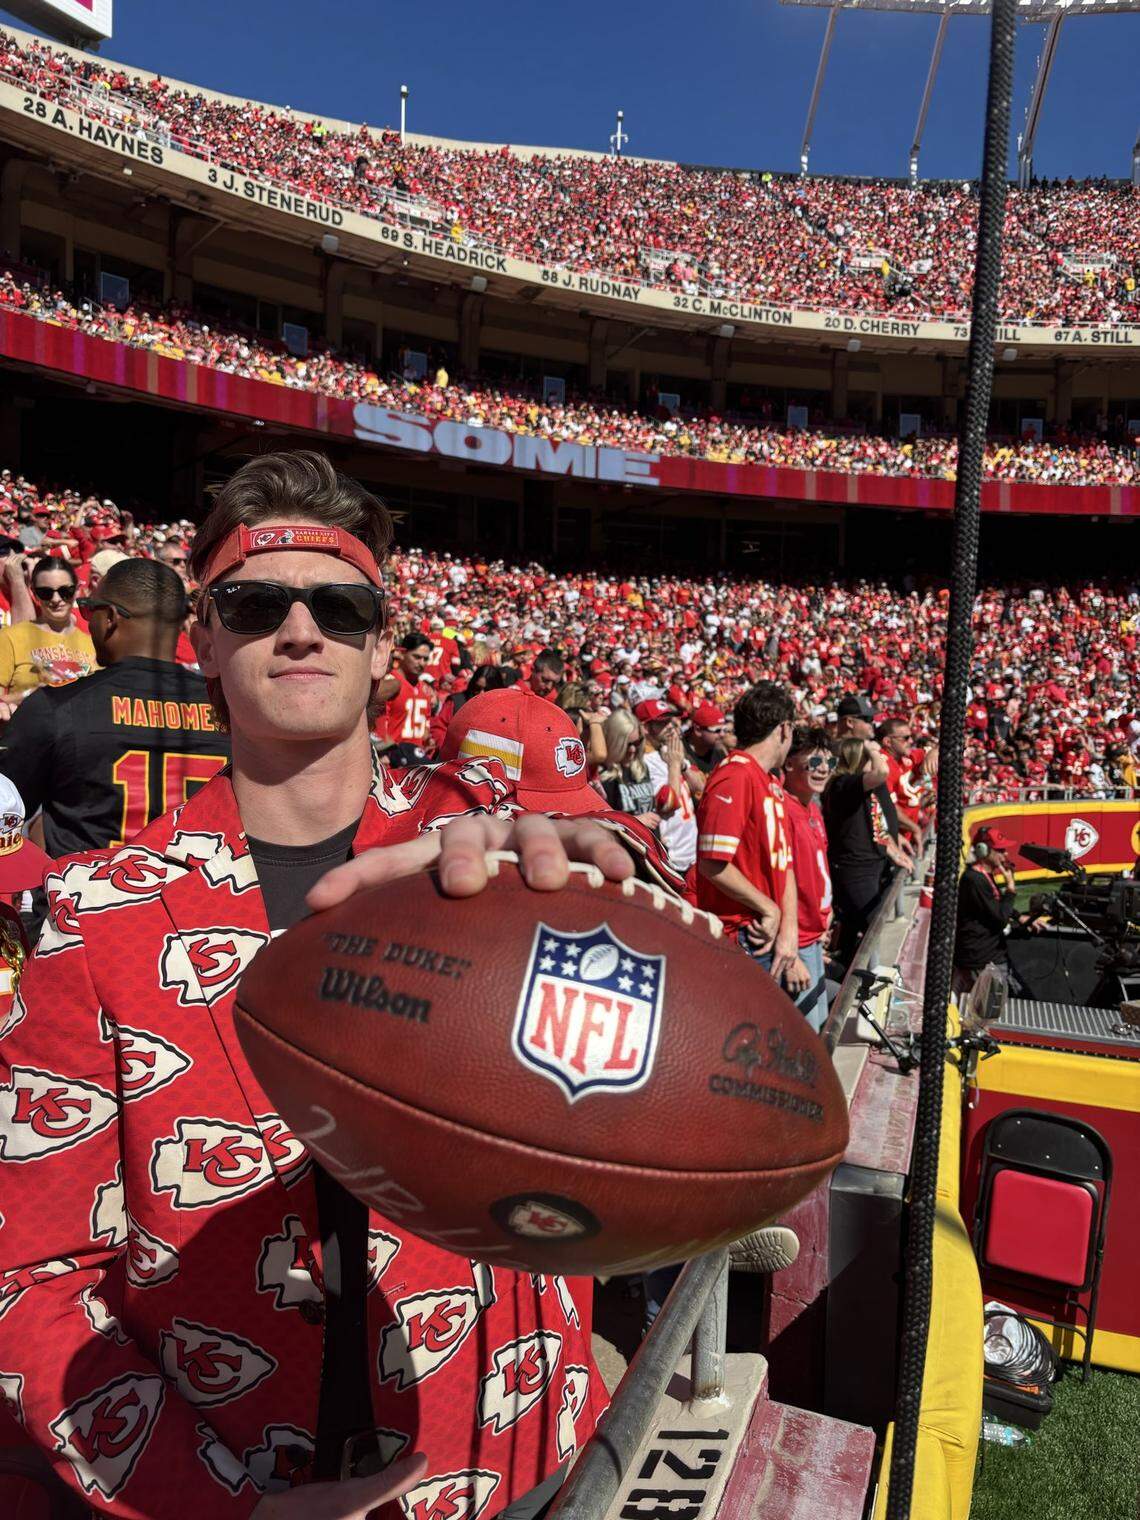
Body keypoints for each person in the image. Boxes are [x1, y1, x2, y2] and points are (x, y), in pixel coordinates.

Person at [0, 450, 657, 1520]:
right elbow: (32, 1280)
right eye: (256, 604)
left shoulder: (487, 857)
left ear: (382, 644)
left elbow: (682, 1022)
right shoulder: (96, 914)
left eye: (338, 604)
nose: (299, 628)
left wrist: (585, 907)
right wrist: (220, 1505)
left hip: (525, 1462)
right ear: (202, 637)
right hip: (240, 1482)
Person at [0, 558, 231, 857]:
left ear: (109, 617)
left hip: (87, 897)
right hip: (198, 896)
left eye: (89, 610)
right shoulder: (229, 707)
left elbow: (8, 816)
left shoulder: (56, 706)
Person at [694, 681, 808, 997]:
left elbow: (783, 864)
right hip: (745, 935)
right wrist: (769, 909)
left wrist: (789, 931)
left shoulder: (767, 780)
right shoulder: (735, 775)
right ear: (785, 729)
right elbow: (712, 864)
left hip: (769, 934)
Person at [823, 737, 912, 966]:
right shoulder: (841, 784)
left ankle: (848, 973)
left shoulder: (861, 787)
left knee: (857, 929)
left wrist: (891, 848)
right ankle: (861, 984)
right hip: (854, 869)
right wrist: (873, 750)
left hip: (872, 864)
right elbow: (882, 772)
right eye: (867, 757)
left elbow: (878, 820)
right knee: (871, 925)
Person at [781, 726, 836, 1032]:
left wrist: (825, 913)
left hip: (813, 935)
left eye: (830, 763)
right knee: (806, 1031)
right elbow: (776, 881)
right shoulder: (782, 810)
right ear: (790, 763)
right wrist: (790, 956)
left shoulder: (812, 807)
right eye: (815, 762)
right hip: (795, 941)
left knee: (820, 1022)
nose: (824, 769)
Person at [952, 826, 1044, 994]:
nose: (1005, 855)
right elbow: (1000, 918)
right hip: (980, 960)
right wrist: (1011, 889)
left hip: (989, 957)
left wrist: (1019, 917)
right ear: (983, 850)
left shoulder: (983, 876)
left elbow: (995, 903)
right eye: (1000, 850)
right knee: (987, 1012)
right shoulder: (974, 880)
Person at [0, 556, 96, 717]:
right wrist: (34, 694)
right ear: (34, 593)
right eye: (46, 593)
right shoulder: (10, 638)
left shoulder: (92, 643)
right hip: (27, 735)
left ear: (77, 590)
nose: (56, 599)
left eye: (65, 591)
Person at [636, 699, 697, 873]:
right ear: (646, 728)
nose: (670, 726)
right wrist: (675, 766)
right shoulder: (645, 763)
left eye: (670, 721)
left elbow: (700, 785)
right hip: (672, 858)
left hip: (692, 852)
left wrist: (682, 765)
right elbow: (669, 803)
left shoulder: (668, 751)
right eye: (662, 723)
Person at [374, 629, 433, 764]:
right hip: (392, 762)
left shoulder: (425, 689)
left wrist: (428, 738)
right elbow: (377, 727)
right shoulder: (390, 683)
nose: (422, 663)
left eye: (425, 659)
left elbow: (425, 727)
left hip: (416, 762)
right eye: (417, 657)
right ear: (402, 653)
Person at [597, 707, 656, 818]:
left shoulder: (641, 768)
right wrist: (637, 822)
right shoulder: (604, 777)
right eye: (627, 745)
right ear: (613, 742)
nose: (633, 750)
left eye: (637, 742)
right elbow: (604, 824)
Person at [682, 701, 728, 795]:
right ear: (698, 730)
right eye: (717, 730)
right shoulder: (681, 752)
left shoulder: (719, 752)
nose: (723, 735)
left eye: (724, 730)